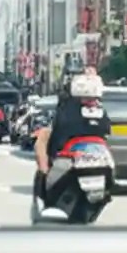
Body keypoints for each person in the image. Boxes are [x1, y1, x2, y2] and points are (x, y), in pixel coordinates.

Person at [33, 66, 111, 209]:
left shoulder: (71, 109)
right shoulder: (97, 111)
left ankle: (44, 178)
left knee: (42, 142)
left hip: (79, 159)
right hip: (81, 161)